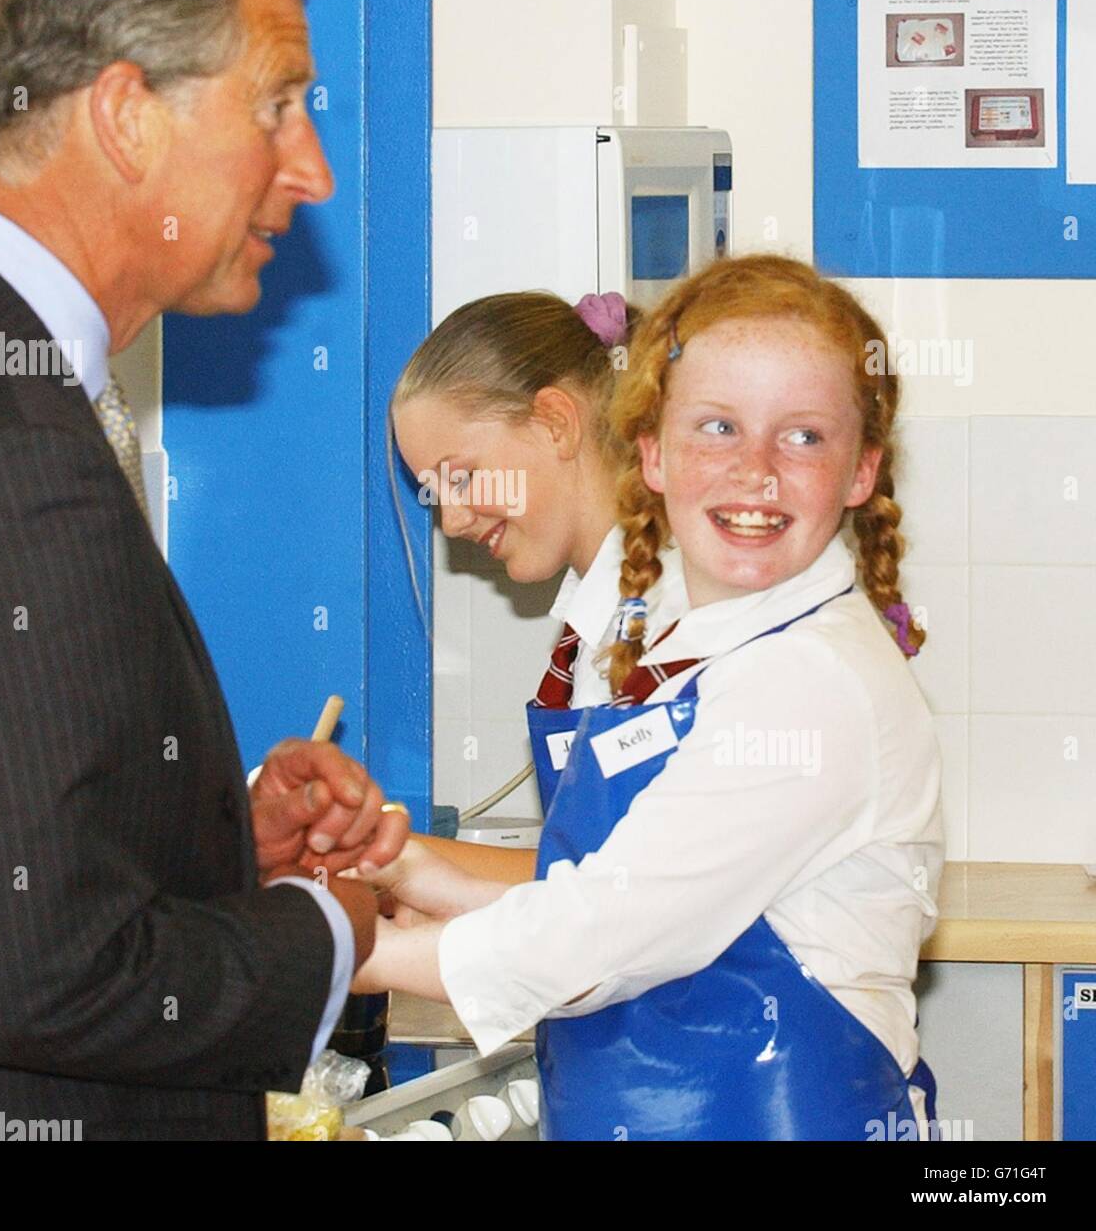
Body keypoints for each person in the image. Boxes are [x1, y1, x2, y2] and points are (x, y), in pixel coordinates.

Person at [0, 0, 406, 1141]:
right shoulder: (7, 454)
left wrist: (207, 841)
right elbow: (39, 978)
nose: (310, 171)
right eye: (276, 106)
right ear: (125, 114)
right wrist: (333, 928)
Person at [353, 254, 945, 1141]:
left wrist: (343, 955)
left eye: (805, 437)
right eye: (716, 428)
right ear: (654, 453)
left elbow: (605, 937)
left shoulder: (806, 680)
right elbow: (614, 893)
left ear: (862, 471)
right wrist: (413, 872)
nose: (755, 471)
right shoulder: (727, 646)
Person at [390, 289, 687, 886]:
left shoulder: (672, 618)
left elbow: (633, 904)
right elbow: (583, 876)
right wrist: (382, 856)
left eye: (463, 478)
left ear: (555, 423)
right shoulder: (597, 623)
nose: (451, 522)